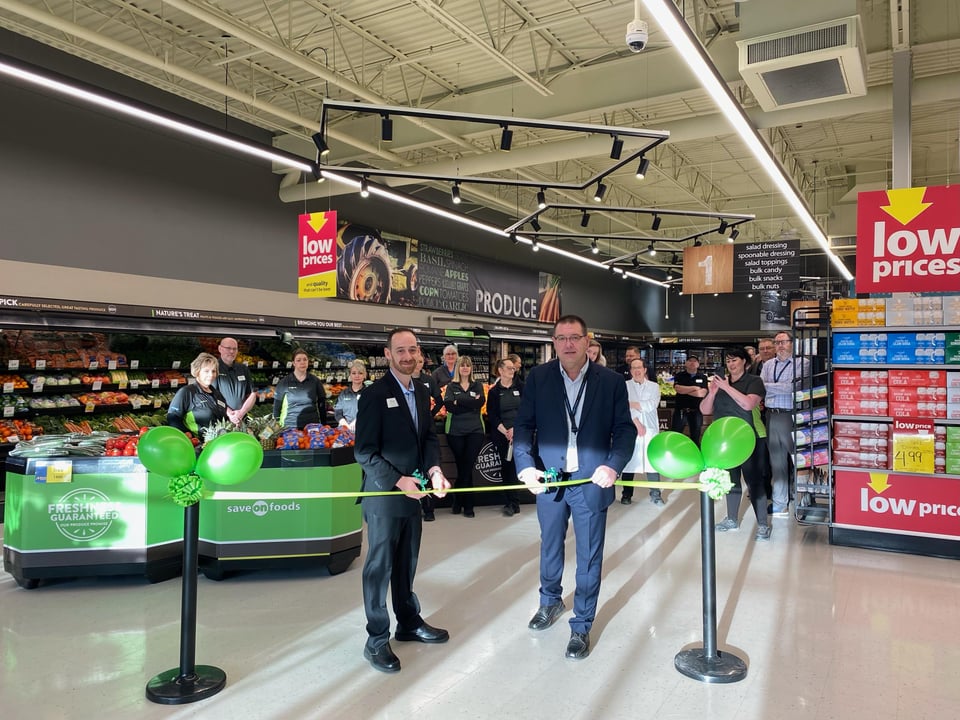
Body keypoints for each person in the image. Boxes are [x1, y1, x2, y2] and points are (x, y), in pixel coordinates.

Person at [513, 314, 634, 661]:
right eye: (561, 338)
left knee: (589, 554)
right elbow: (524, 426)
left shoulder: (611, 381)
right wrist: (525, 467)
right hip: (550, 479)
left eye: (574, 337)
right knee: (549, 545)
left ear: (586, 341)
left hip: (591, 479)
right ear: (554, 343)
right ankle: (549, 602)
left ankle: (581, 623)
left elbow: (624, 430)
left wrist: (613, 466)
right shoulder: (538, 378)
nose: (568, 344)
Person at [354, 327, 451, 674]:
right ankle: (376, 640)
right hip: (384, 495)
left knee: (407, 563)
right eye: (400, 351)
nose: (407, 356)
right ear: (387, 354)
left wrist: (436, 469)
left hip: (415, 494)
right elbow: (363, 452)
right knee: (379, 569)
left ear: (419, 353)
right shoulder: (374, 395)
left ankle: (408, 623)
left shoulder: (422, 389)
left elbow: (427, 436)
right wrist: (398, 480)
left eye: (412, 350)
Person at [700, 347, 771, 540]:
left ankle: (763, 524)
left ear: (744, 362)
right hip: (726, 441)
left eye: (735, 360)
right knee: (730, 481)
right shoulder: (721, 384)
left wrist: (726, 388)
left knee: (754, 481)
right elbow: (705, 410)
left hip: (751, 438)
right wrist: (713, 392)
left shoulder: (754, 381)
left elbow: (748, 404)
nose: (731, 364)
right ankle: (731, 519)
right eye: (728, 361)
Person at [760, 330, 810, 516]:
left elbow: (793, 388)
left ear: (792, 343)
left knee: (800, 460)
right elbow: (760, 388)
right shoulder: (768, 364)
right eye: (777, 342)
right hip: (771, 416)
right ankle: (780, 504)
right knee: (777, 462)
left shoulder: (802, 363)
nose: (780, 346)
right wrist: (774, 388)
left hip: (793, 416)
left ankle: (803, 502)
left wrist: (768, 386)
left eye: (784, 342)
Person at [443, 356, 486, 518]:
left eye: (468, 365)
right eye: (462, 365)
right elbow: (449, 408)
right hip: (455, 432)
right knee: (462, 467)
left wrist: (459, 401)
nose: (465, 368)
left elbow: (479, 404)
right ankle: (463, 502)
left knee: (467, 465)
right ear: (458, 368)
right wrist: (469, 403)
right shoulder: (451, 386)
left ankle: (464, 502)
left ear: (471, 368)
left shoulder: (478, 385)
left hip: (475, 431)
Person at [620, 357, 664, 506]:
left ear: (645, 370)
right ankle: (626, 494)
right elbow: (623, 408)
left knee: (652, 462)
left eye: (640, 367)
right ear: (630, 371)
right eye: (634, 368)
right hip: (631, 428)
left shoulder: (654, 387)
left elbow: (651, 405)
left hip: (650, 430)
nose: (637, 370)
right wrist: (637, 423)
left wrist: (632, 404)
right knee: (629, 462)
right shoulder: (624, 386)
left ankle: (656, 494)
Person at [487, 357, 523, 517]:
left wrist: (515, 429)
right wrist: (506, 431)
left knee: (518, 466)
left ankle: (516, 500)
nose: (512, 370)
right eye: (508, 368)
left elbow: (527, 409)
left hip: (520, 433)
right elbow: (492, 415)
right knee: (506, 467)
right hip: (503, 435)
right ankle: (510, 502)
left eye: (513, 368)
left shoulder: (522, 387)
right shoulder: (494, 391)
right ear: (500, 371)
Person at [167, 352, 229, 438]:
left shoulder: (218, 394)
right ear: (197, 372)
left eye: (213, 371)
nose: (210, 375)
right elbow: (173, 418)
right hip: (196, 446)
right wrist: (189, 438)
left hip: (216, 444)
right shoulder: (187, 392)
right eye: (206, 371)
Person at [413, 348, 443, 522]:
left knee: (428, 467)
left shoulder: (428, 380)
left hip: (426, 427)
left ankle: (429, 508)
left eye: (421, 361)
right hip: (411, 429)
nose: (419, 364)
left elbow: (439, 401)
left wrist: (430, 414)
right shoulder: (406, 380)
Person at [273, 348, 325, 429]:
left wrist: (324, 425)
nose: (302, 362)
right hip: (290, 426)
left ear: (308, 362)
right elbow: (276, 408)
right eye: (298, 360)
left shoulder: (315, 381)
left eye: (305, 359)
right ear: (293, 363)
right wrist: (276, 427)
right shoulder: (284, 382)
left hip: (312, 427)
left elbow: (322, 405)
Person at [214, 337, 257, 425]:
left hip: (241, 419)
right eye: (228, 348)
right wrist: (230, 413)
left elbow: (252, 394)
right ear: (220, 349)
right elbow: (212, 396)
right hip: (221, 421)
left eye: (234, 349)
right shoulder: (213, 368)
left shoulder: (243, 369)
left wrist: (241, 413)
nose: (232, 351)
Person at [672, 355, 708, 447]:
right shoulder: (679, 375)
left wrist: (685, 390)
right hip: (680, 410)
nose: (692, 363)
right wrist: (694, 388)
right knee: (676, 435)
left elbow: (702, 393)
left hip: (696, 411)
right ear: (686, 363)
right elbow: (678, 389)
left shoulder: (703, 377)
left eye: (694, 361)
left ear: (698, 364)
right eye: (690, 361)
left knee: (695, 437)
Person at [334, 360, 368, 431]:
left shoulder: (369, 393)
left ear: (365, 375)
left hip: (364, 429)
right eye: (354, 373)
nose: (357, 376)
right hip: (346, 430)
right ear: (350, 375)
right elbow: (338, 412)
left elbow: (371, 411)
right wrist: (343, 423)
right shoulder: (344, 393)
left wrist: (357, 421)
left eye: (360, 373)